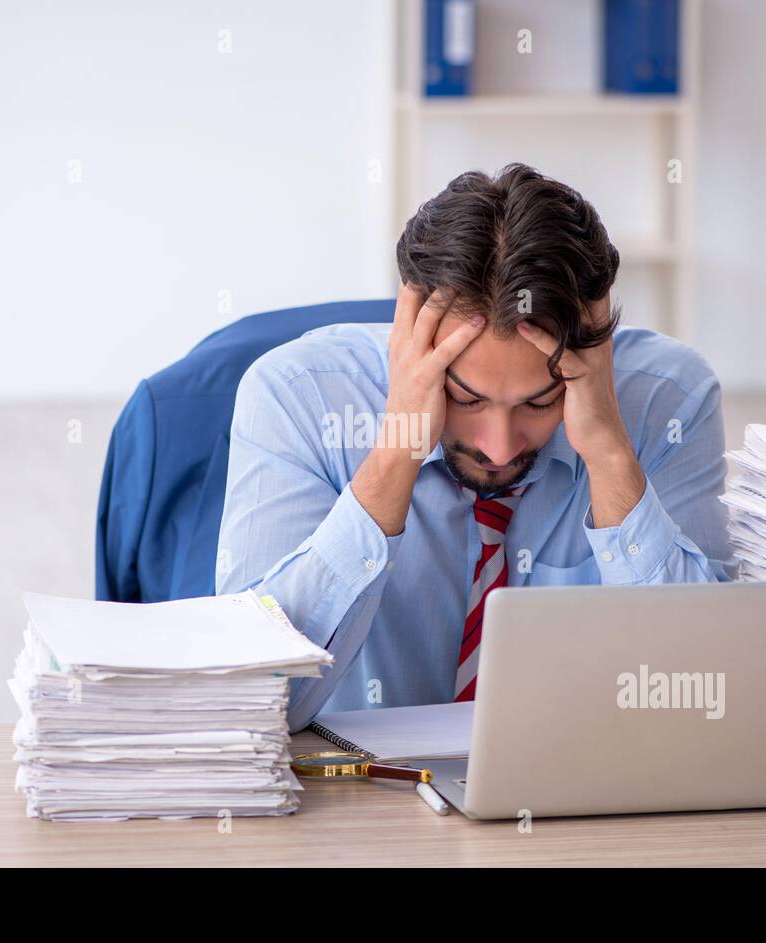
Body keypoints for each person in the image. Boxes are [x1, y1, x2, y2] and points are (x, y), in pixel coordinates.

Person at [216, 162, 733, 732]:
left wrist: (611, 456)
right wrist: (397, 452)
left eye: (540, 402)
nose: (499, 447)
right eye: (465, 397)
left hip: (590, 807)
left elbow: (703, 703)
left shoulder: (670, 402)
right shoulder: (298, 397)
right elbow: (250, 705)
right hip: (362, 803)